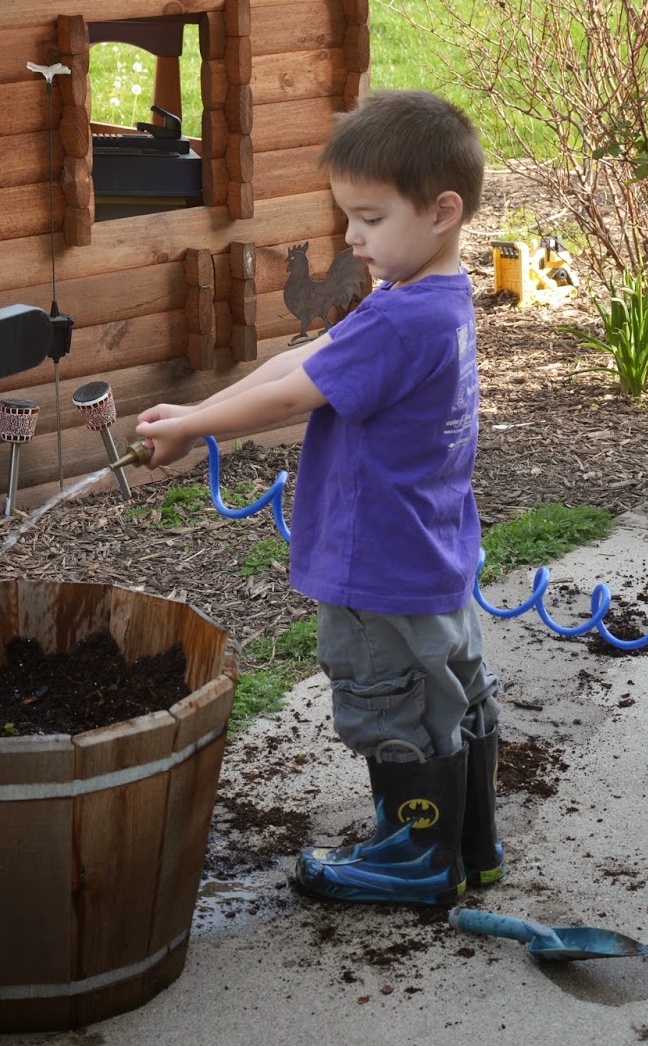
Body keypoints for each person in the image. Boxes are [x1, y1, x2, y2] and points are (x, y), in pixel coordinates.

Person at [136, 89, 502, 908]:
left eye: (369, 218)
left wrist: (197, 430)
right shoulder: (432, 300)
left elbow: (291, 398)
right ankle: (469, 848)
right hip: (431, 552)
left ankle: (415, 864)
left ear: (443, 211)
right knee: (453, 694)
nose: (350, 236)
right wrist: (199, 412)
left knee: (392, 708)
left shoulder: (399, 321)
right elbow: (310, 361)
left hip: (378, 564)